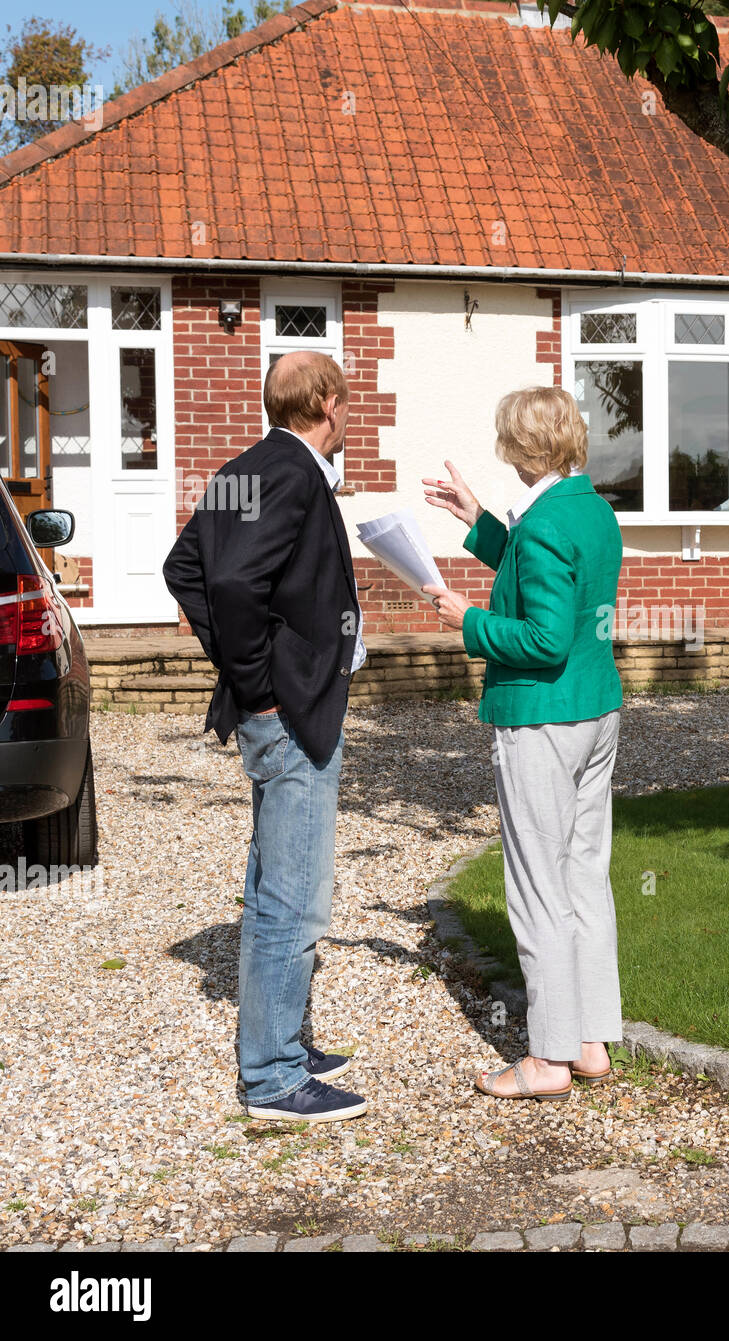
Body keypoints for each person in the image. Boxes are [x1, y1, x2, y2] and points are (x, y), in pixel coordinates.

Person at [163, 351, 368, 1123]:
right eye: (344, 401)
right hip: (288, 713)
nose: (348, 413)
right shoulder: (291, 472)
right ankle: (275, 1075)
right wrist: (261, 681)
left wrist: (253, 667)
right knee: (294, 893)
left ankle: (283, 1042)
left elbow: (182, 567)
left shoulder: (246, 466)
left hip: (278, 706)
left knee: (269, 882)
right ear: (324, 402)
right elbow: (227, 581)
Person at [423, 386, 624, 1101]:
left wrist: (467, 620)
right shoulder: (590, 508)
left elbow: (542, 635)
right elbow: (547, 580)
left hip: (543, 718)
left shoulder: (542, 524)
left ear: (521, 447)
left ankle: (546, 1058)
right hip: (595, 710)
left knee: (538, 887)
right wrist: (478, 520)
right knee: (582, 876)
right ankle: (591, 1039)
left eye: (505, 438)